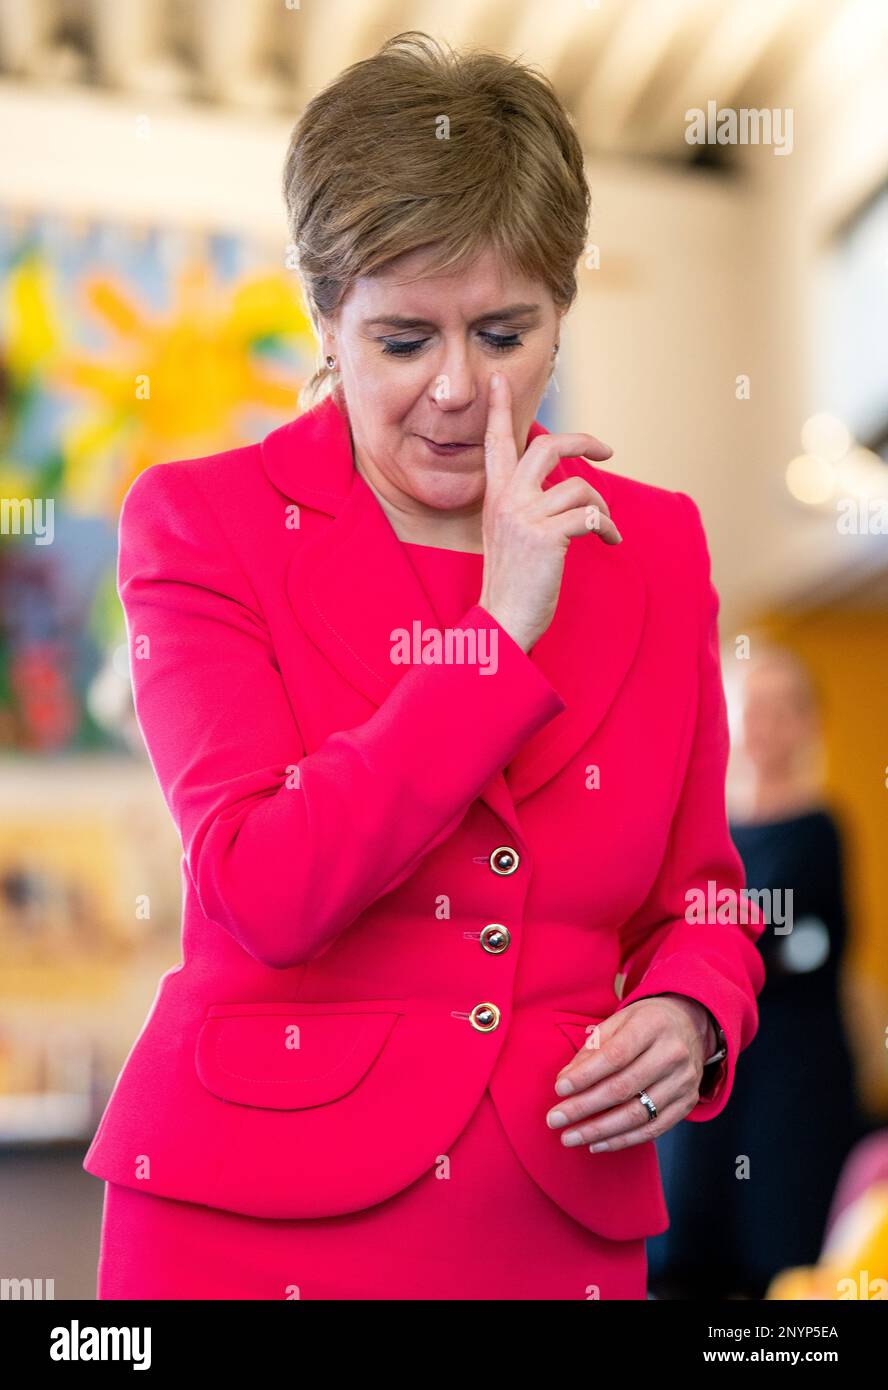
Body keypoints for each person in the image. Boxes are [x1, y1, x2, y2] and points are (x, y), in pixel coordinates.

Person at [83, 30, 765, 1301]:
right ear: (324, 325)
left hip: (554, 1211)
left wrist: (693, 1013)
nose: (459, 389)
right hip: (251, 1211)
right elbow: (267, 888)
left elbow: (704, 900)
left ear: (564, 310)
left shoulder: (657, 545)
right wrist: (495, 632)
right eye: (403, 340)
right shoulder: (200, 524)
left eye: (504, 330)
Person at [648, 646, 870, 1299]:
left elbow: (801, 946)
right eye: (753, 706)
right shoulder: (701, 831)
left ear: (806, 723)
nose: (764, 724)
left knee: (778, 1248)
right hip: (710, 1068)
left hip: (790, 1083)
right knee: (685, 1239)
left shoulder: (817, 830)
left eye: (782, 709)